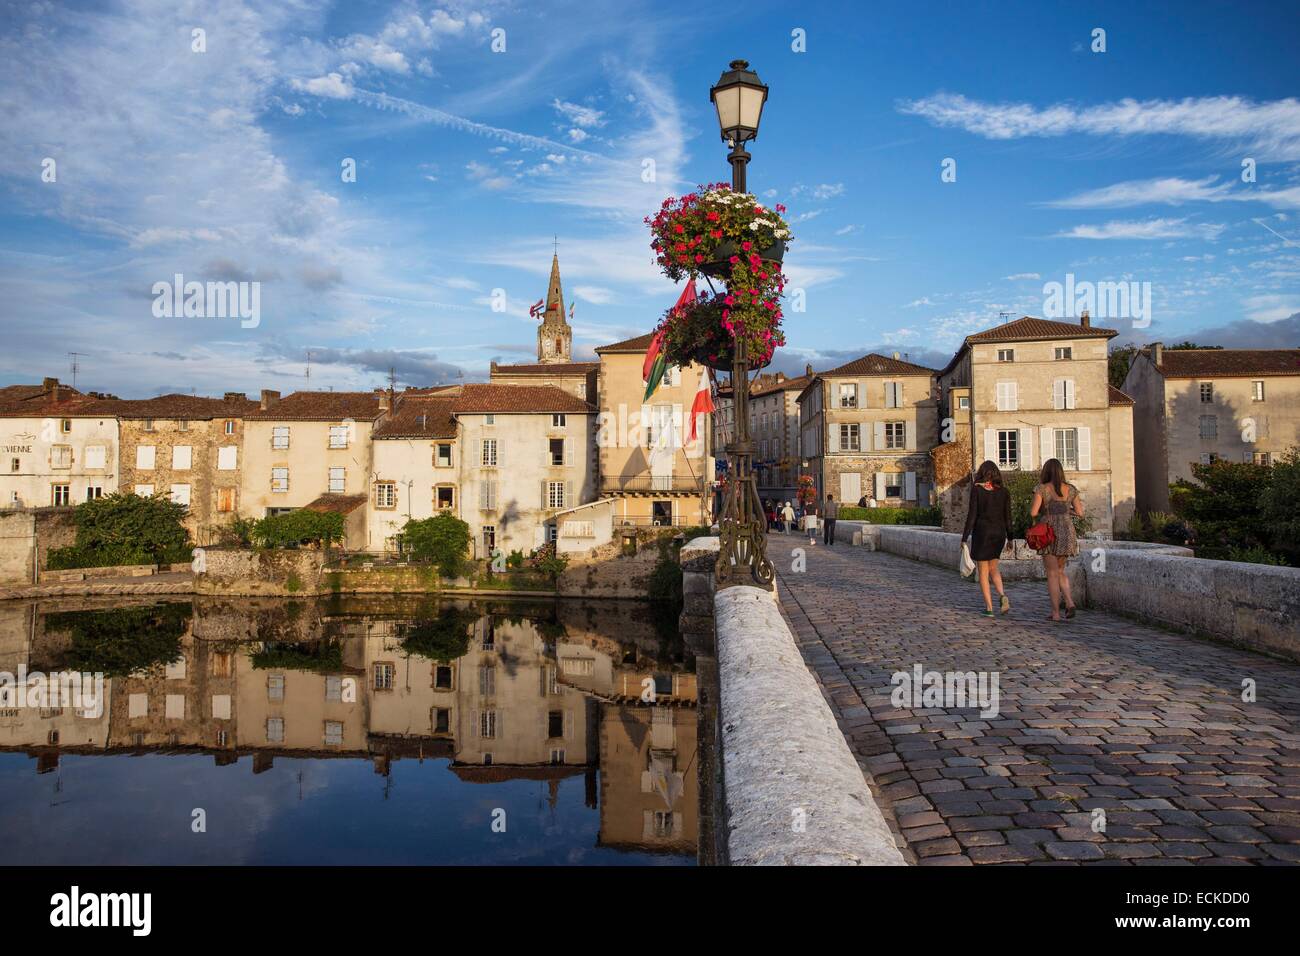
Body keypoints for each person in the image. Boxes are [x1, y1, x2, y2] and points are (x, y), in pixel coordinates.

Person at [1030, 457, 1084, 622]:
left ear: (1046, 471)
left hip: (1049, 532)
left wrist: (1045, 512)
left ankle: (1056, 613)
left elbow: (1033, 512)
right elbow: (1081, 513)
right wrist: (1068, 511)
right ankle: (1069, 601)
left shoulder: (1042, 489)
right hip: (1067, 531)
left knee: (1052, 574)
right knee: (1060, 571)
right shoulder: (1071, 489)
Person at [961, 460, 1013, 618]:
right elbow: (1008, 518)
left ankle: (989, 608)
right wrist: (1010, 537)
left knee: (983, 572)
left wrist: (964, 538)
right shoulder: (1004, 492)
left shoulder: (977, 490)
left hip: (983, 533)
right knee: (994, 568)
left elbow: (972, 515)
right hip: (999, 533)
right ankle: (1002, 595)